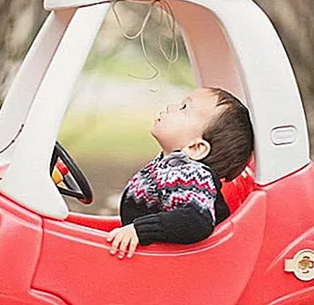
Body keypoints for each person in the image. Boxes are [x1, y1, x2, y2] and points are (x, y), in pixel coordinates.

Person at [107, 86, 254, 259]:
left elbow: (196, 219)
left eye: (184, 108)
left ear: (196, 147)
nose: (170, 107)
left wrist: (140, 230)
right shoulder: (169, 164)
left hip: (174, 267)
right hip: (150, 259)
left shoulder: (192, 175)